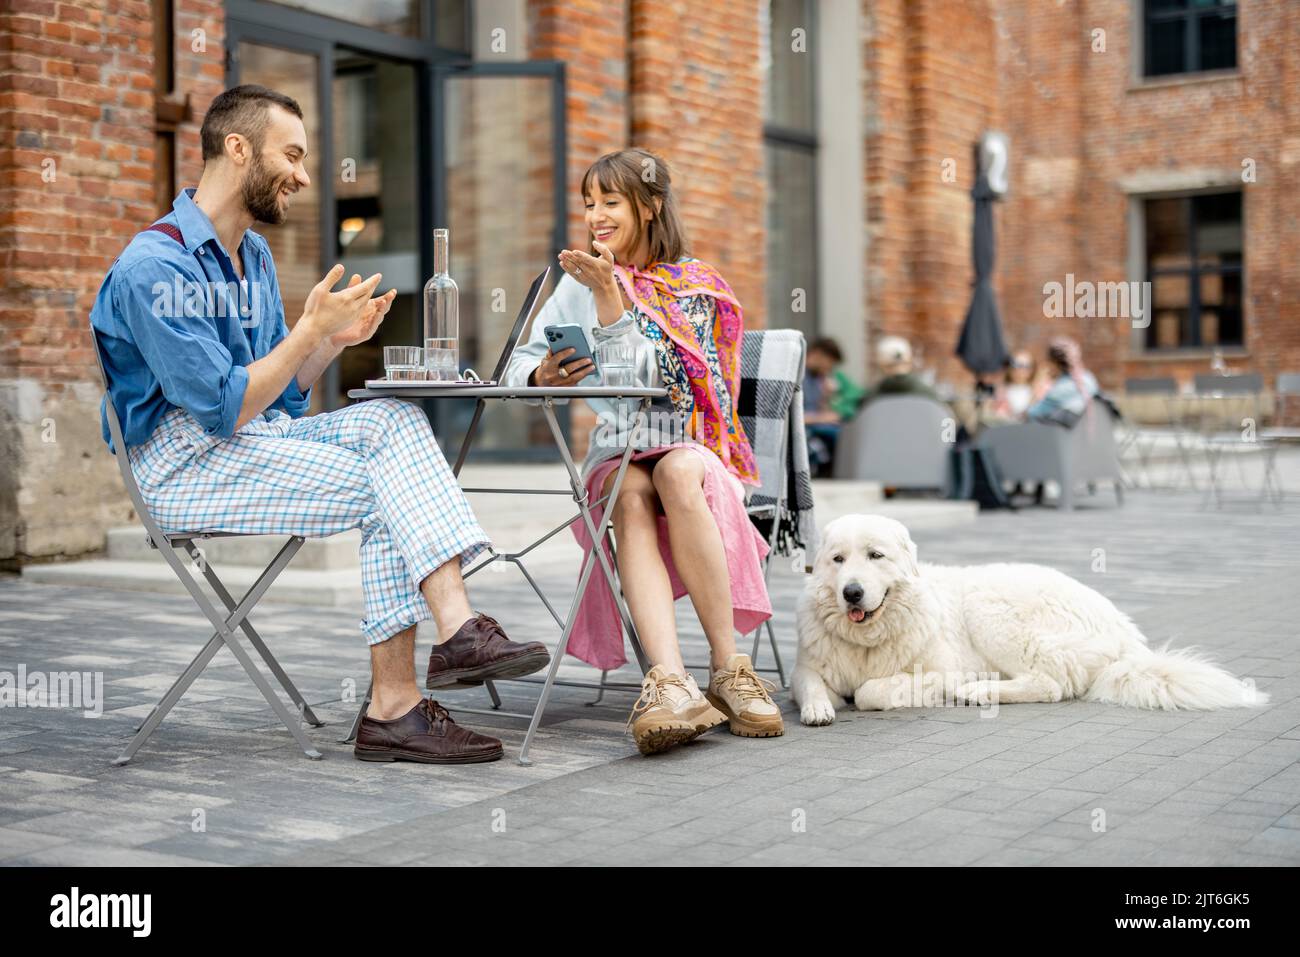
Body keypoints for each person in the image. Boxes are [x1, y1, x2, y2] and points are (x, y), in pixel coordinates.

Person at [91, 85, 550, 766]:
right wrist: (306, 328)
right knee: (384, 485)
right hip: (182, 463)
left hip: (249, 440)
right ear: (238, 148)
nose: (306, 177)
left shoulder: (254, 257)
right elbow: (224, 406)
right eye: (294, 156)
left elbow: (279, 401)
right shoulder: (154, 267)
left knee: (393, 420)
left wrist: (327, 344)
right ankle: (396, 705)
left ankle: (455, 632)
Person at [503, 148, 782, 755]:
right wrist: (544, 375)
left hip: (690, 443)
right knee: (629, 493)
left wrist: (611, 301)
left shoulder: (694, 287)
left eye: (610, 202)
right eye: (588, 204)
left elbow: (666, 386)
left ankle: (729, 668)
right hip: (619, 455)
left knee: (679, 472)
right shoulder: (577, 285)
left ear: (650, 206)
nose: (595, 216)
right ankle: (670, 683)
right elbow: (520, 364)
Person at [803, 337, 862, 476]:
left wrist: (827, 397)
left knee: (848, 432)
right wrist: (822, 418)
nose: (830, 369)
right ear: (817, 354)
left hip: (819, 425)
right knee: (841, 436)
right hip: (808, 428)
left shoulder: (819, 378)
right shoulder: (798, 376)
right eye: (830, 363)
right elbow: (793, 416)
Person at [1027, 336, 1099, 427]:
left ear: (1053, 363)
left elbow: (1031, 415)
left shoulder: (1058, 391)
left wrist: (1038, 382)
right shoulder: (1089, 380)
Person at [862, 336, 940, 404]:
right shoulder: (926, 393)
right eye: (891, 366)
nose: (899, 371)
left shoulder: (873, 395)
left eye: (903, 365)